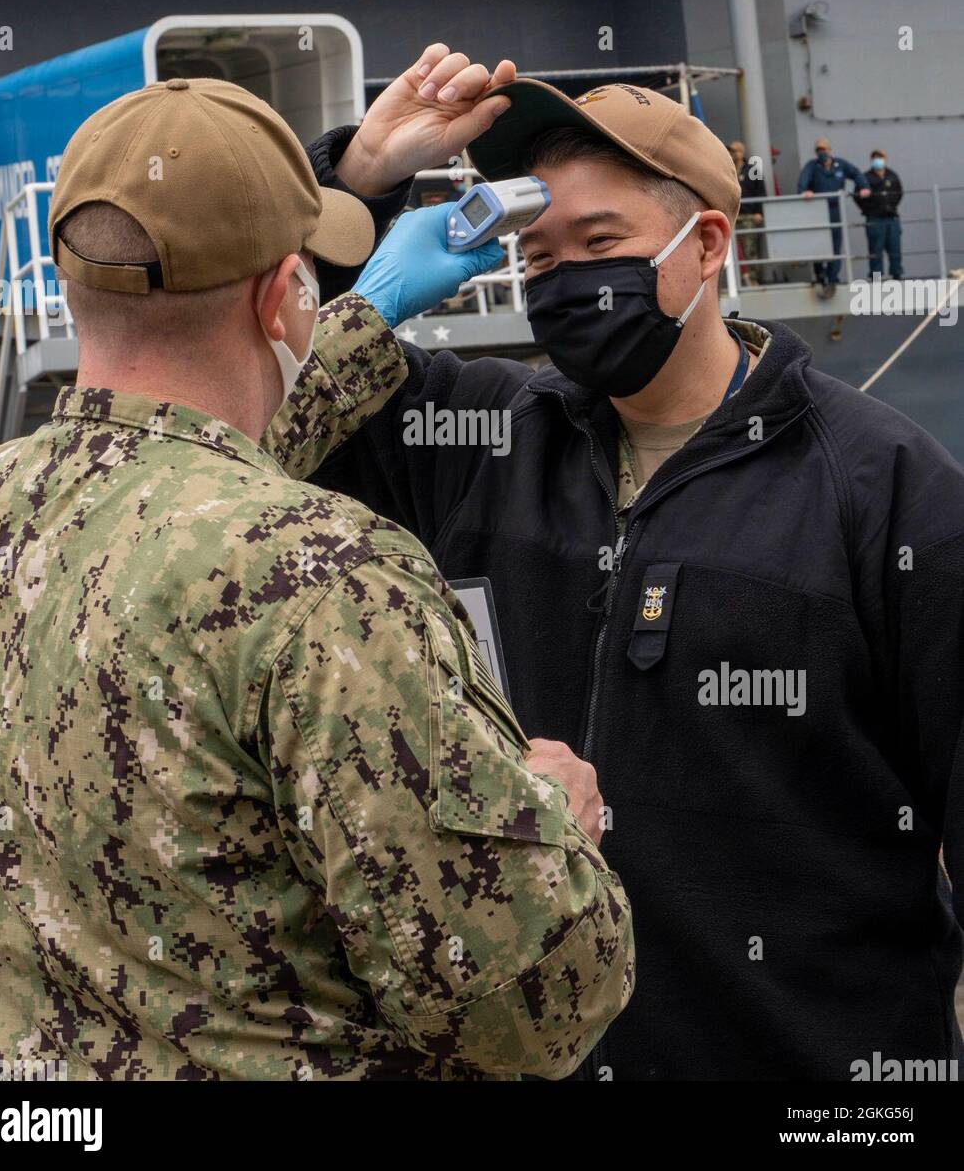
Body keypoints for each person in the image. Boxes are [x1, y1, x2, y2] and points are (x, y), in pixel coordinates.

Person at [285, 54, 964, 1081]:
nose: (562, 282)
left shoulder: (882, 489)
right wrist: (362, 181)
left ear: (706, 246)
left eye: (600, 243)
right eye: (538, 257)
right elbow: (294, 389)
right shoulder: (481, 440)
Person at [0, 76, 635, 1081]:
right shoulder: (330, 576)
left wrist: (360, 319)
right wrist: (550, 835)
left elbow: (177, 477)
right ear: (282, 293)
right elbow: (527, 1008)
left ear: (69, 278)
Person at [797, 136, 871, 296]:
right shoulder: (812, 166)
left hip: (835, 210)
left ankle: (832, 278)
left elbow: (856, 173)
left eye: (823, 149)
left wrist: (863, 186)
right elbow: (803, 181)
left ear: (829, 150)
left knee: (836, 245)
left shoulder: (840, 165)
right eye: (818, 150)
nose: (821, 153)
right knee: (818, 244)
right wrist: (804, 191)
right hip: (818, 211)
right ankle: (820, 274)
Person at [859, 149, 905, 279]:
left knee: (895, 248)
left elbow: (899, 193)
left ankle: (897, 276)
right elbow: (858, 196)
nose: (878, 160)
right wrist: (871, 209)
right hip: (874, 219)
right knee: (875, 249)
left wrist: (890, 206)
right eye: (875, 158)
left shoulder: (892, 175)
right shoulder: (866, 177)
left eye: (880, 157)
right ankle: (876, 278)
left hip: (891, 217)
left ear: (885, 159)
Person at [727, 139, 766, 285]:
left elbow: (760, 191)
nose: (731, 153)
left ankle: (754, 279)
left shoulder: (752, 170)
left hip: (749, 215)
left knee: (750, 249)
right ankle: (738, 281)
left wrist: (759, 212)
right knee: (734, 250)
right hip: (732, 216)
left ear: (742, 153)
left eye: (734, 151)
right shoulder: (727, 169)